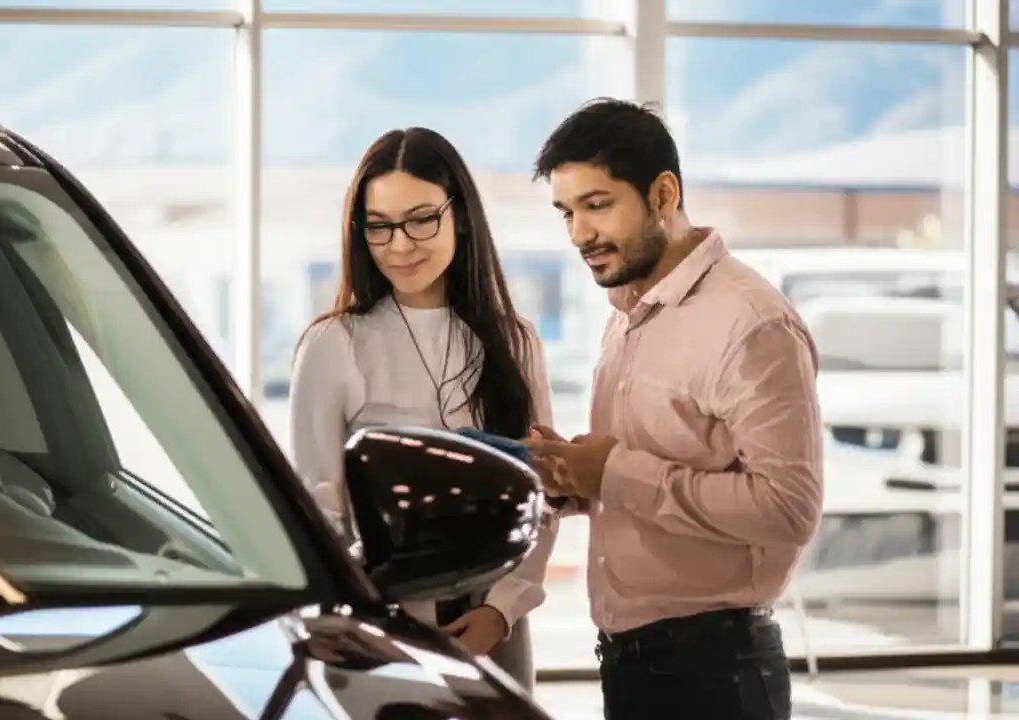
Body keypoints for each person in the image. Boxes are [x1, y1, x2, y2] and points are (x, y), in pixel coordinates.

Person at [521, 98, 824, 720]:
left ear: (662, 195)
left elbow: (788, 508)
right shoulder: (629, 313)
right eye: (567, 212)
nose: (580, 234)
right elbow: (654, 471)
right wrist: (576, 477)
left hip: (715, 675)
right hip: (634, 668)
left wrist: (610, 473)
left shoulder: (750, 322)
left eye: (598, 206)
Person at [288, 126, 558, 691]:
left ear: (459, 214)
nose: (401, 245)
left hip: (496, 632)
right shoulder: (336, 343)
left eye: (420, 219)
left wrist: (499, 612)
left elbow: (543, 494)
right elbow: (320, 510)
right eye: (380, 226)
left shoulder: (516, 343)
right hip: (384, 634)